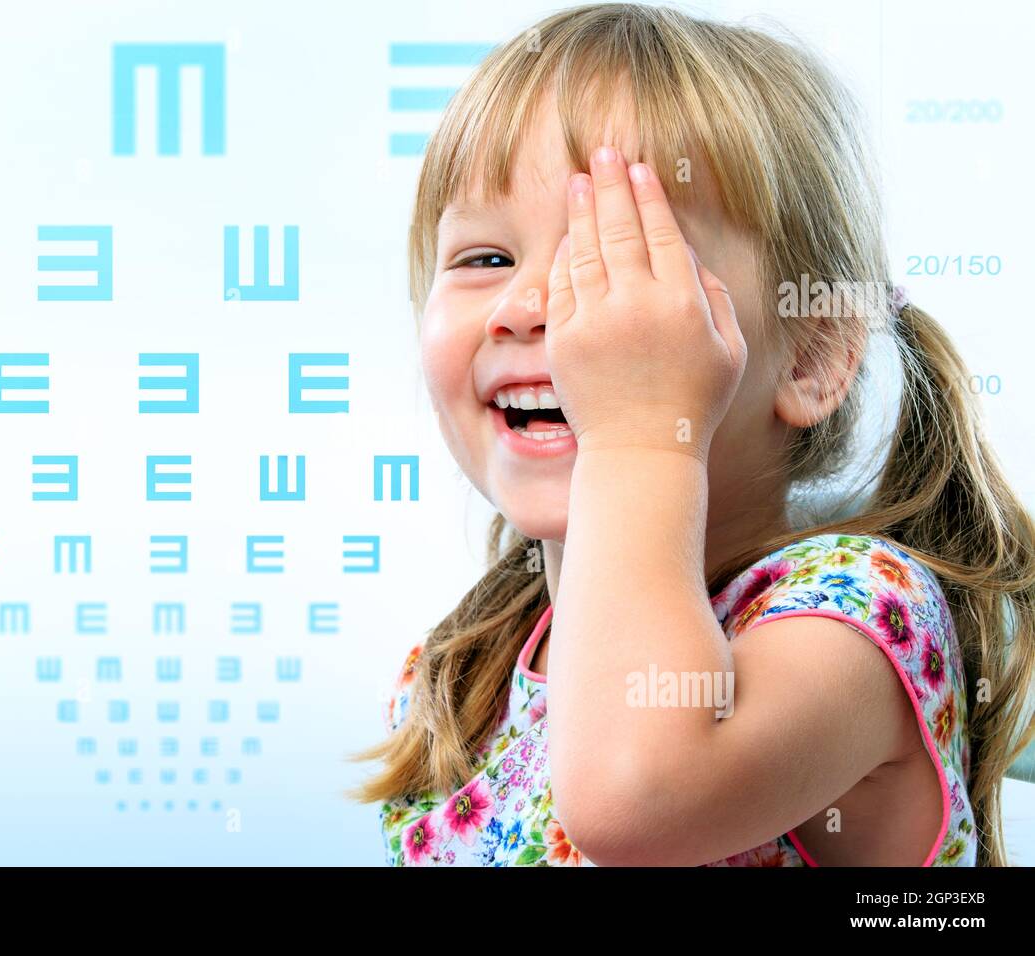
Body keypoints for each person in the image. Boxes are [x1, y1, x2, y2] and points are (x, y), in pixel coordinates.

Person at [345, 2, 1035, 867]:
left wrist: (639, 435)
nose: (531, 308)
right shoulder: (456, 681)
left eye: (623, 257)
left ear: (810, 356)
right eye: (485, 259)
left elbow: (640, 796)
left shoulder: (854, 617)